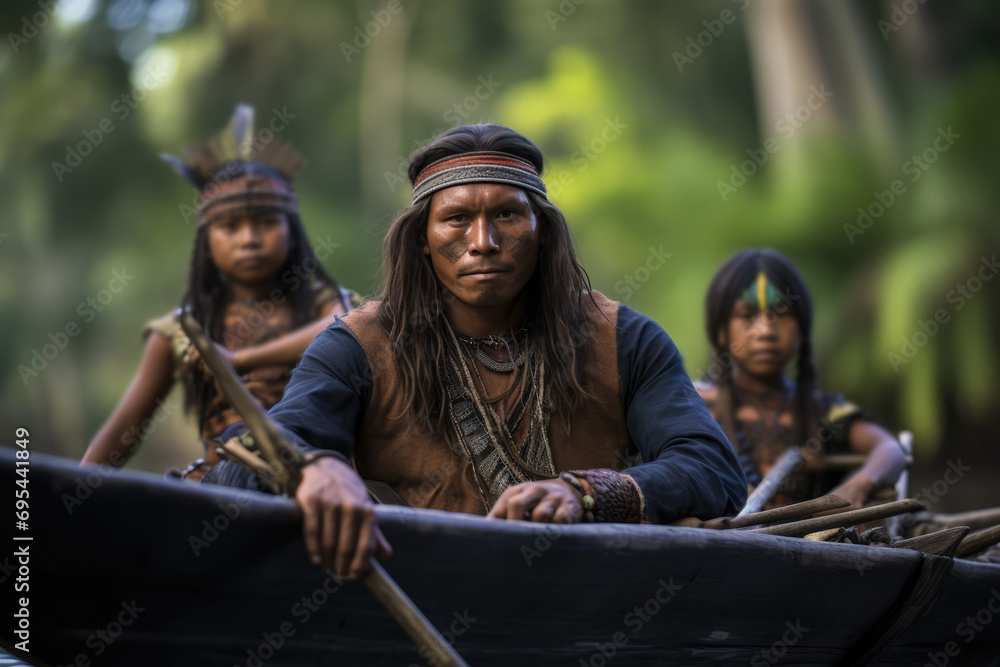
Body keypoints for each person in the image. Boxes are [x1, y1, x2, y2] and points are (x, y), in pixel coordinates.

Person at [211, 123, 747, 579]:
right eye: (457, 218)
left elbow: (713, 470)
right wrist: (311, 466)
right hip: (417, 599)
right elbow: (248, 458)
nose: (483, 240)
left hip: (594, 604)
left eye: (508, 215)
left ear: (542, 231)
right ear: (423, 237)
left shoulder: (622, 338)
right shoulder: (360, 344)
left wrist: (586, 493)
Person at [81, 105, 358, 478]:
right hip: (224, 487)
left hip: (329, 483)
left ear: (292, 231)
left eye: (266, 222)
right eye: (230, 226)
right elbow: (120, 436)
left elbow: (341, 325)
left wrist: (240, 361)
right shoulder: (179, 332)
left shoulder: (329, 304)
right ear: (206, 240)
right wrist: (70, 500)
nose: (249, 239)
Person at [694, 249, 907, 511]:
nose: (765, 330)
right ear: (722, 331)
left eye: (781, 314)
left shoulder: (823, 413)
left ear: (802, 327)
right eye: (748, 316)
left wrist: (858, 485)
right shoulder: (694, 405)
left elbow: (890, 448)